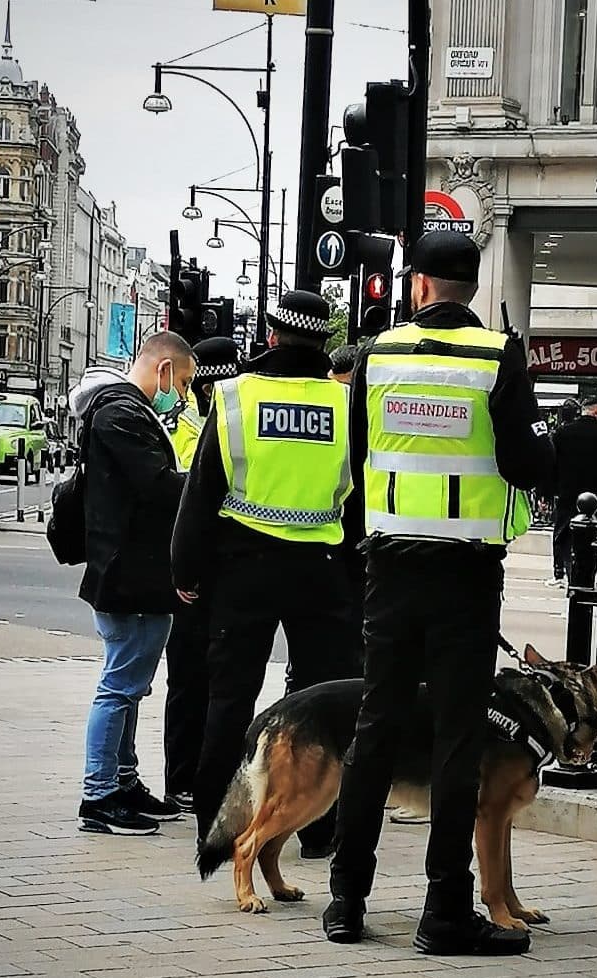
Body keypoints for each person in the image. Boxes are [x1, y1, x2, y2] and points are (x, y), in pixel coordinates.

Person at [323, 231, 555, 956]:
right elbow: (529, 464)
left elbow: (359, 453)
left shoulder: (377, 354)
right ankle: (444, 911)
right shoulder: (498, 356)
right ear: (472, 289)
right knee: (458, 739)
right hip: (465, 572)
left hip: (390, 564)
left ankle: (347, 901)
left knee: (375, 729)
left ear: (418, 285)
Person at [173, 290, 358, 859]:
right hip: (321, 572)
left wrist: (187, 568)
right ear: (324, 342)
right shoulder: (347, 405)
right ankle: (321, 828)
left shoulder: (234, 397)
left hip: (242, 570)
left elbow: (202, 494)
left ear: (272, 336)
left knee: (229, 700)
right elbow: (360, 503)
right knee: (321, 699)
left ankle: (217, 824)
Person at [71, 332, 196, 836]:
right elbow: (157, 485)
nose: (183, 393)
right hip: (125, 570)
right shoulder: (119, 413)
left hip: (137, 570)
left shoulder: (126, 410)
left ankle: (123, 781)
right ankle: (99, 795)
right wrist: (208, 479)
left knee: (131, 685)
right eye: (182, 381)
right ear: (163, 368)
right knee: (120, 685)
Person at [161, 336, 241, 814]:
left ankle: (203, 775)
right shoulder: (187, 421)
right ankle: (182, 777)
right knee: (191, 680)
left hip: (218, 569)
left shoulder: (213, 417)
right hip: (195, 570)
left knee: (214, 683)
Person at [548, 393, 597, 585]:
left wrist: (552, 490)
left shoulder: (563, 434)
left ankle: (571, 573)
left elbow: (552, 465)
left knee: (566, 538)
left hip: (569, 496)